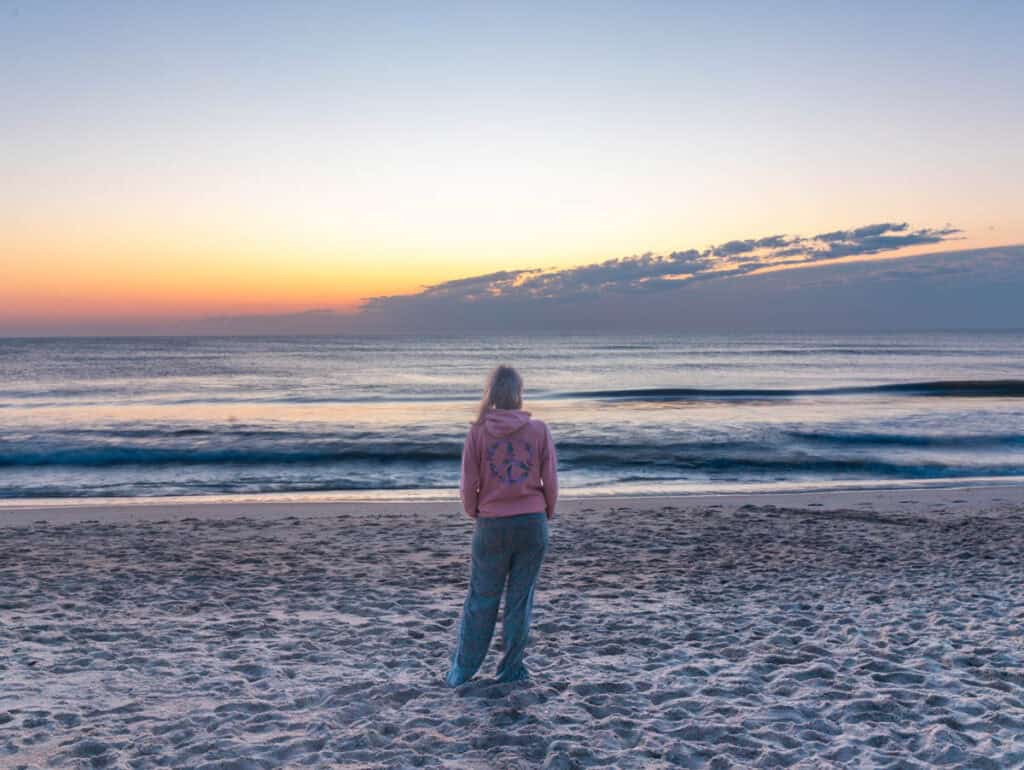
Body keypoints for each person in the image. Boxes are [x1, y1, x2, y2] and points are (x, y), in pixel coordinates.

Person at [444, 364, 558, 686]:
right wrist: (545, 511)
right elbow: (549, 479)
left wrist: (474, 511)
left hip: (492, 524)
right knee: (519, 603)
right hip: (531, 523)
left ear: (492, 394)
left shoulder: (477, 432)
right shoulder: (539, 430)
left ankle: (462, 672)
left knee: (481, 600)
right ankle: (510, 671)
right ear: (519, 394)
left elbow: (468, 485)